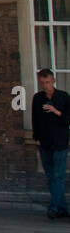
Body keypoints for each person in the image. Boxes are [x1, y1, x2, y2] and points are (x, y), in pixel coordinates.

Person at [33, 68, 69, 220]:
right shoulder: (38, 98)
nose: (45, 85)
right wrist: (36, 137)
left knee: (58, 175)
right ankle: (63, 208)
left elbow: (68, 119)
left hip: (60, 141)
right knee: (50, 175)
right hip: (44, 141)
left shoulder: (63, 97)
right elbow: (35, 119)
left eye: (48, 82)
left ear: (53, 81)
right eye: (42, 83)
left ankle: (54, 207)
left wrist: (56, 111)